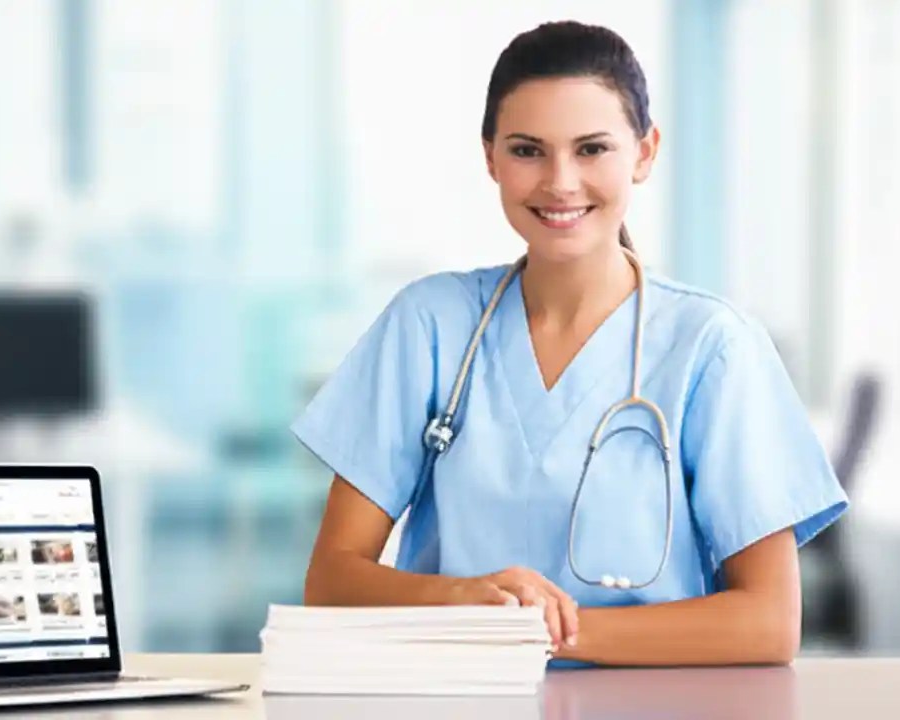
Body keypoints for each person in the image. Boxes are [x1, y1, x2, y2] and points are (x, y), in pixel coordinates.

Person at [291, 20, 848, 666]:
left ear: (644, 154)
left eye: (591, 149)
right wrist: (457, 599)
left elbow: (769, 621)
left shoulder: (712, 349)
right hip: (461, 701)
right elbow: (331, 579)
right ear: (490, 156)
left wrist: (544, 631)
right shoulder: (429, 325)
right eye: (528, 150)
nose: (560, 182)